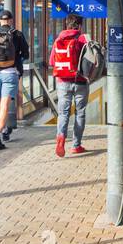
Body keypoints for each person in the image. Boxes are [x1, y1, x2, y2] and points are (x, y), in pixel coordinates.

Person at [0, 10, 28, 151]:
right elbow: (26, 54)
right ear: (11, 20)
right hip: (10, 74)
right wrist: (15, 58)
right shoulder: (17, 34)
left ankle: (1, 129)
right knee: (5, 106)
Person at [49, 15, 90, 157]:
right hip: (80, 82)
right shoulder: (83, 39)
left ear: (67, 24)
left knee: (63, 113)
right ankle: (76, 145)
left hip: (62, 82)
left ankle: (61, 137)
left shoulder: (58, 40)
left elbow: (52, 62)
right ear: (80, 26)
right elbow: (91, 61)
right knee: (80, 113)